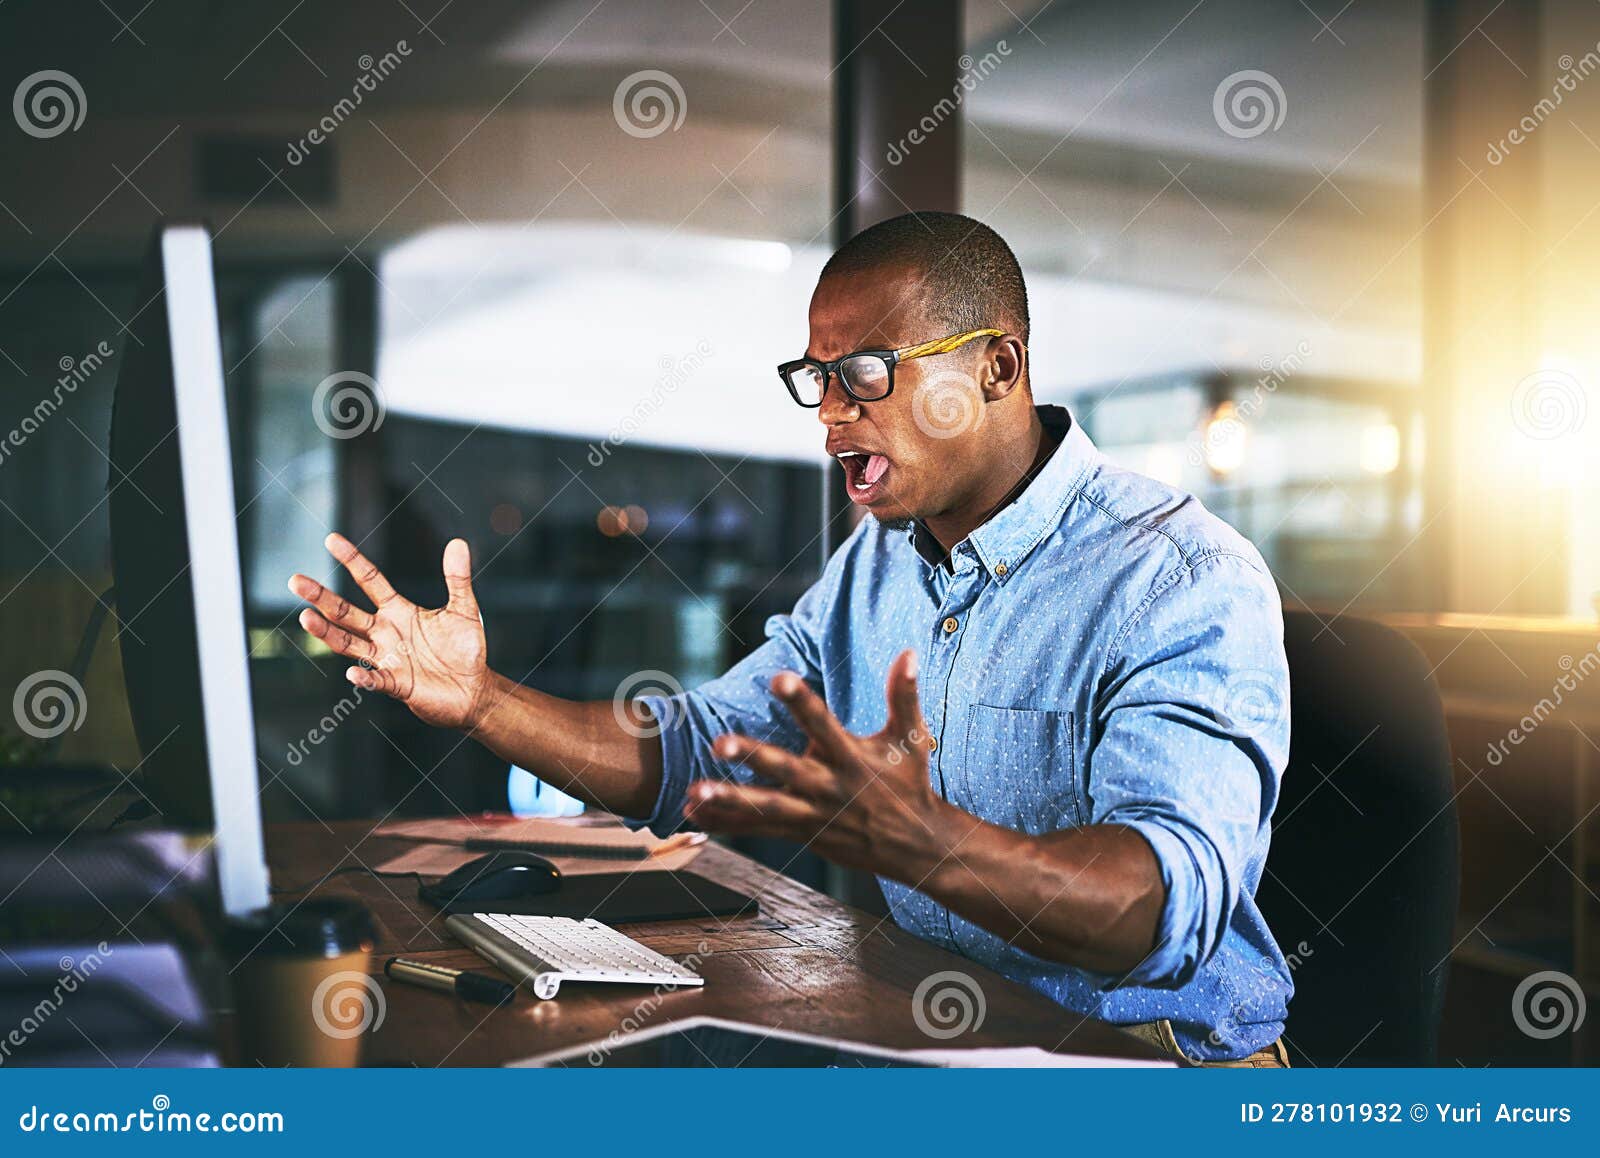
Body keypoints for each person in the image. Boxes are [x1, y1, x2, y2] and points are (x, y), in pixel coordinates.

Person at [289, 211, 1293, 1066]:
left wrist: (930, 844)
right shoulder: (878, 564)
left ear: (997, 368)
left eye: (865, 374)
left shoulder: (1182, 579)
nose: (831, 417)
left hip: (1154, 1066)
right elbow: (700, 749)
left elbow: (1159, 908)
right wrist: (483, 701)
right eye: (817, 379)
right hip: (953, 1038)